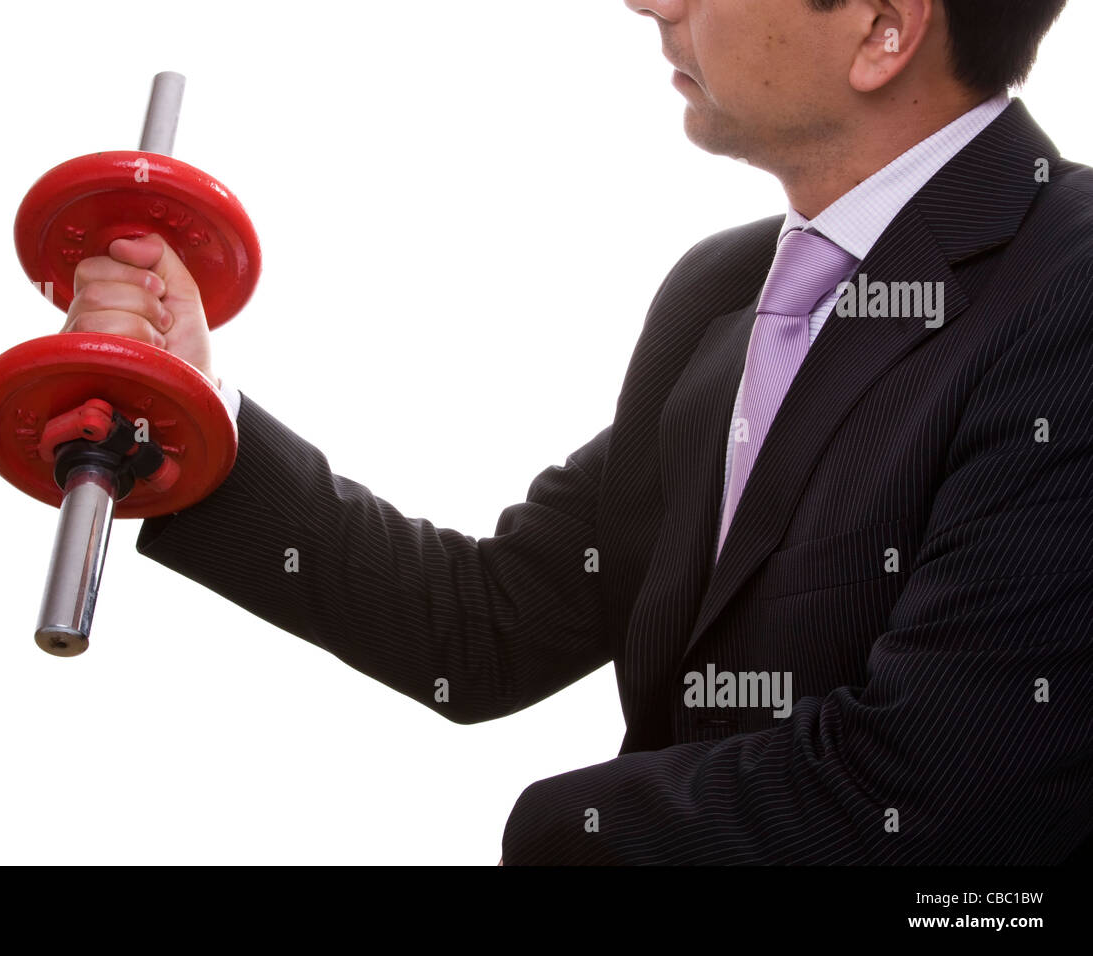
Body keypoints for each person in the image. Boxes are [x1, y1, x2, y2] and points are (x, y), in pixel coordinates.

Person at [60, 0, 1092, 864]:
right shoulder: (722, 296)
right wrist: (189, 411)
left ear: (880, 28)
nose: (649, 2)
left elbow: (947, 789)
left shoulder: (1068, 293)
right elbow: (490, 622)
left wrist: (554, 829)